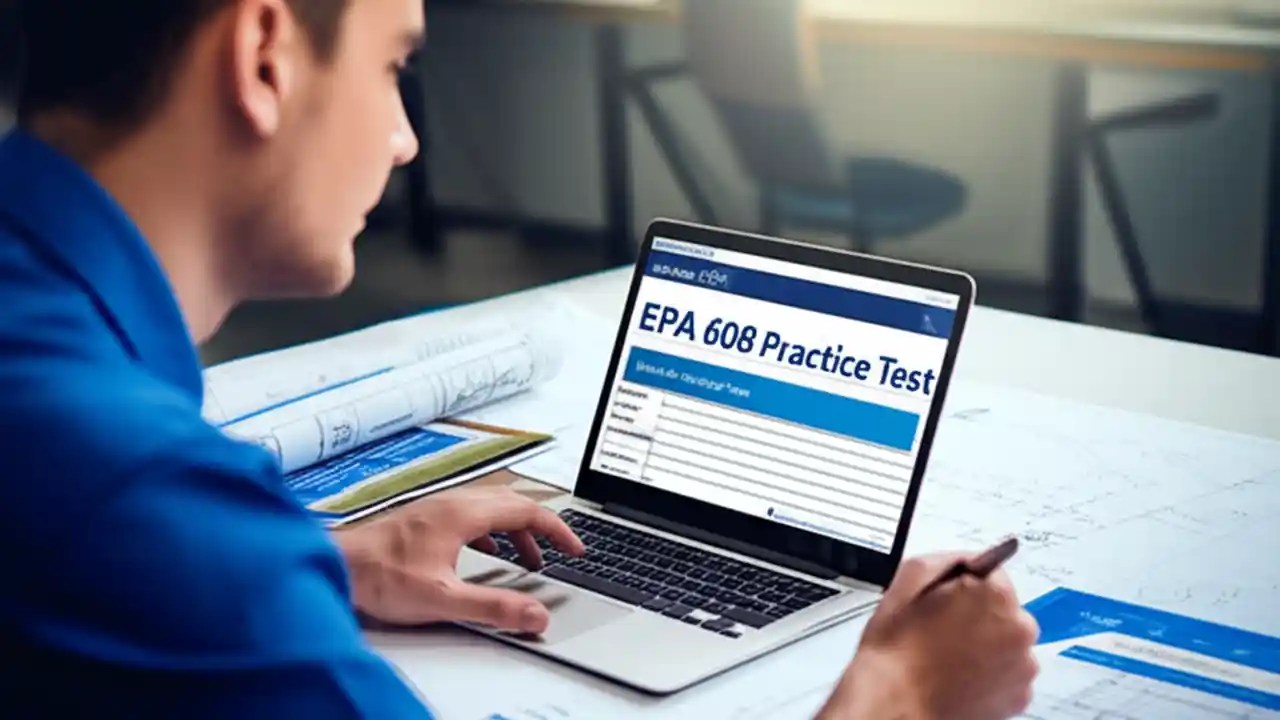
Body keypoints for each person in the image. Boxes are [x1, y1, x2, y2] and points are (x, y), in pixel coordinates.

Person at [0, 0, 1039, 717]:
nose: (405, 141)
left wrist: (323, 565)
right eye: (391, 66)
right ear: (262, 54)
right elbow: (133, 540)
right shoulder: (141, 504)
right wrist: (900, 699)